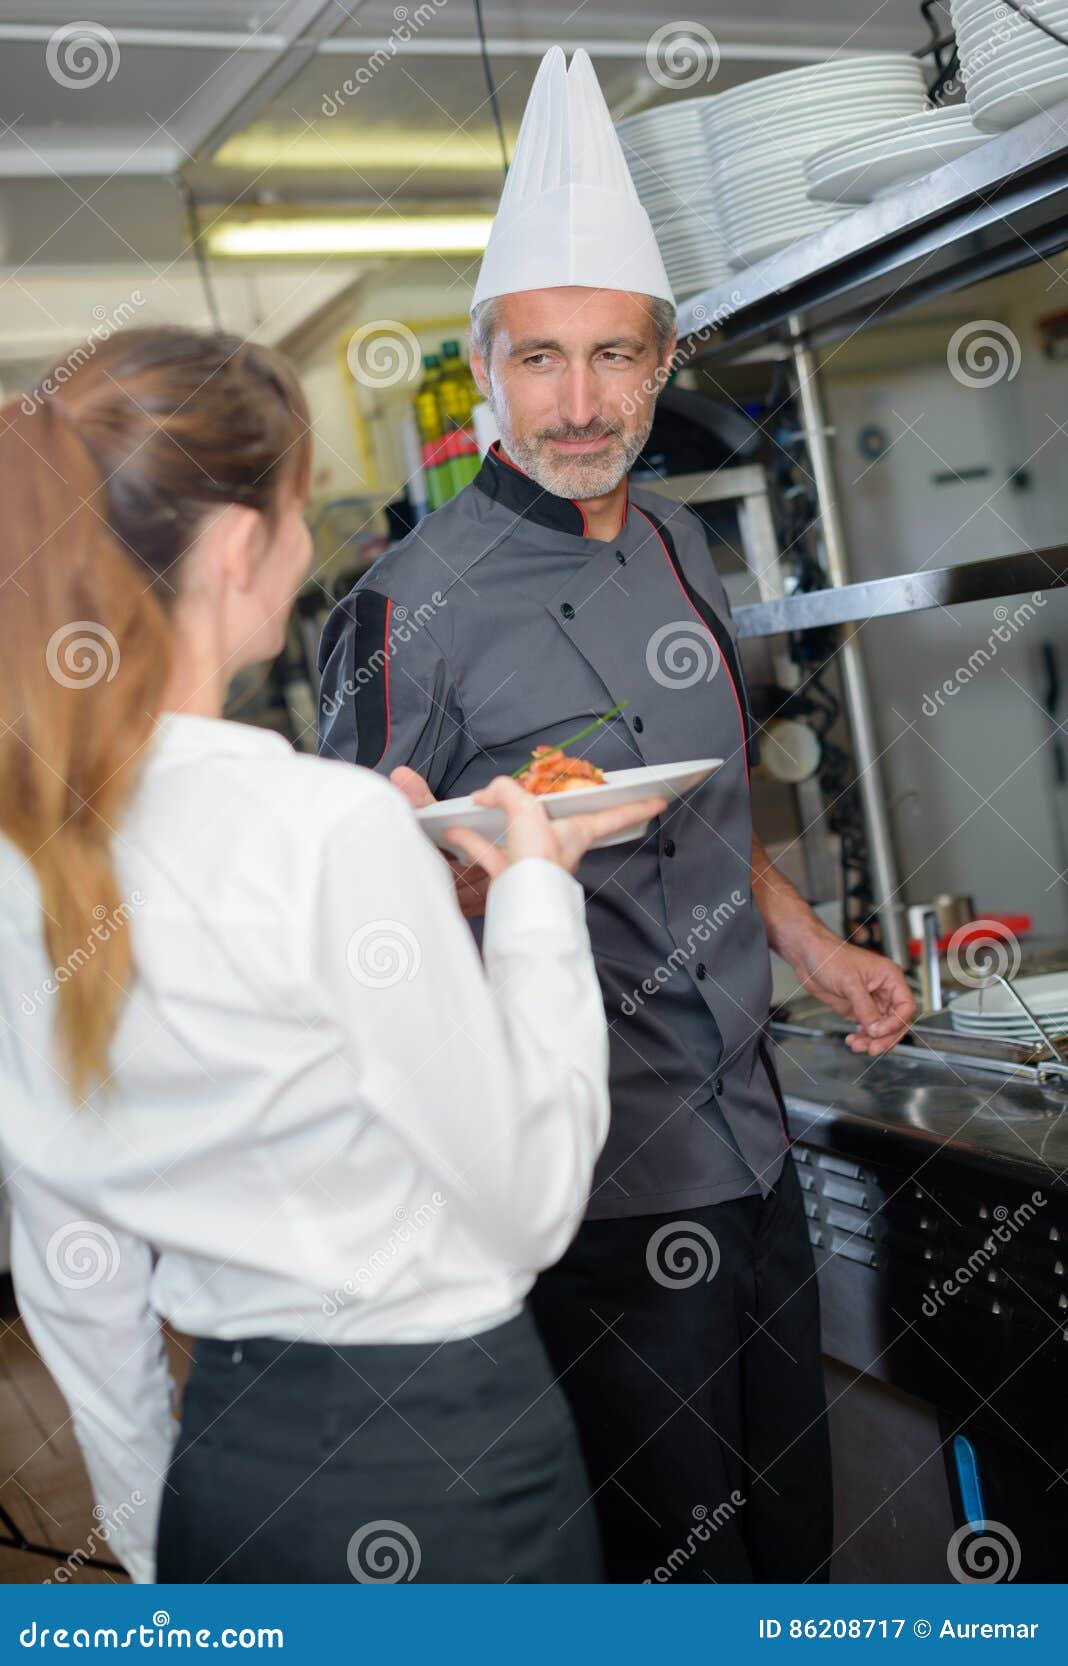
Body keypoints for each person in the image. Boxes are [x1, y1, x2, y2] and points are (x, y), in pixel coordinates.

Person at [318, 47, 916, 1583]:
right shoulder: (408, 606)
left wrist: (810, 945)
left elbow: (714, 797)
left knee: (795, 1537)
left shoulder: (676, 543)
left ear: (661, 366)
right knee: (665, 1568)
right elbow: (348, 919)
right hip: (594, 1183)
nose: (578, 405)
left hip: (753, 1136)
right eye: (539, 360)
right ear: (487, 366)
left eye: (612, 359)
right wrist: (476, 868)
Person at [0, 324, 665, 1584]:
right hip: (447, 1468)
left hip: (228, 1473)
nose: (308, 549)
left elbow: (71, 1268)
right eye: (299, 510)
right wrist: (533, 892)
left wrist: (157, 1550)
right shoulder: (323, 827)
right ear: (244, 545)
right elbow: (527, 1204)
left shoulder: (25, 854)